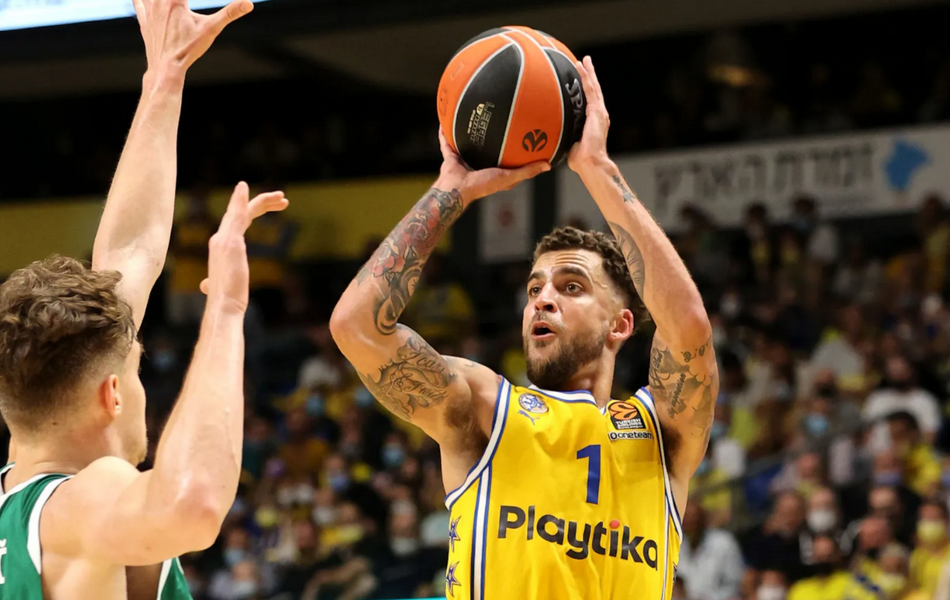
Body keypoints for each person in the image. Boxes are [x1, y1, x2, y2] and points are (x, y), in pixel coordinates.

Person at [331, 57, 717, 598]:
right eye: (534, 289)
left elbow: (688, 328)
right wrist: (450, 193)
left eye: (572, 286)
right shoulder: (487, 408)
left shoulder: (663, 432)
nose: (543, 300)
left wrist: (597, 170)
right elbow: (356, 327)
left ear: (621, 324)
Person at [0, 1, 289, 598]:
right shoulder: (82, 502)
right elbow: (193, 505)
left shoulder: (19, 481)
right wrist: (225, 312)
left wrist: (165, 76)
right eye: (135, 368)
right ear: (111, 395)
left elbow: (128, 253)